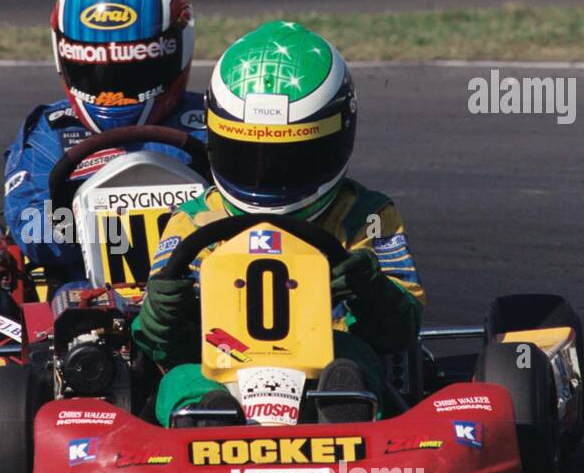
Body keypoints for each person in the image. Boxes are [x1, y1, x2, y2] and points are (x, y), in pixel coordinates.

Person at [131, 21, 425, 426]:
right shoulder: (194, 221)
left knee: (351, 356)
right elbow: (162, 347)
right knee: (180, 379)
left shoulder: (366, 216)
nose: (265, 173)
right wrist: (163, 312)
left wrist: (369, 289)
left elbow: (401, 329)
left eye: (288, 159)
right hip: (221, 368)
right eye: (245, 155)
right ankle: (207, 420)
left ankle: (343, 408)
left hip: (322, 371)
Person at [2, 0, 206, 283]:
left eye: (133, 75)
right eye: (92, 74)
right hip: (89, 307)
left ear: (177, 48)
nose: (112, 93)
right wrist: (108, 227)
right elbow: (30, 227)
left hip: (206, 292)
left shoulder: (215, 122)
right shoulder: (52, 132)